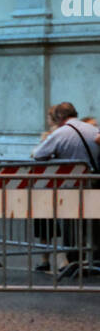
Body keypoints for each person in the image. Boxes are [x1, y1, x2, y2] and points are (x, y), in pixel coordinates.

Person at [32, 102, 100, 270]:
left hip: (71, 185)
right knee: (94, 222)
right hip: (93, 181)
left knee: (72, 222)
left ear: (60, 117)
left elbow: (38, 155)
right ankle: (95, 260)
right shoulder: (93, 130)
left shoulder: (61, 133)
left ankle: (74, 260)